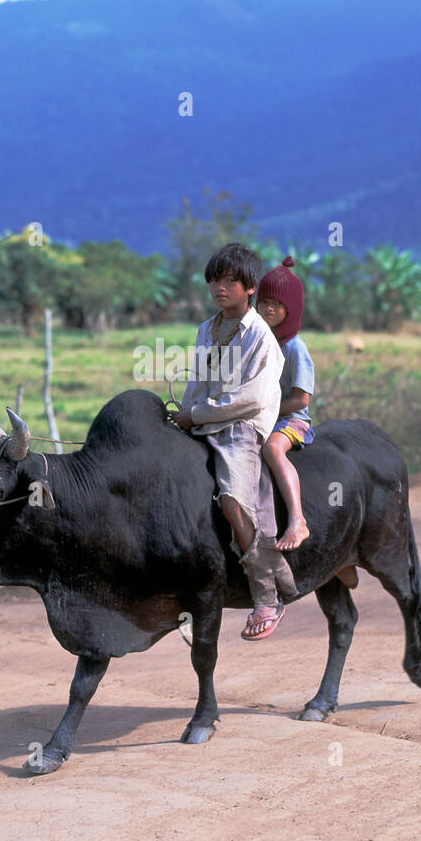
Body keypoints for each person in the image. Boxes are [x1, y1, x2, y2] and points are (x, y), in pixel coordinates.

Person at [172, 242, 296, 640]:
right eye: (215, 280)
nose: (220, 288)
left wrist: (199, 414)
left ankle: (266, 596)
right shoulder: (206, 329)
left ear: (250, 287)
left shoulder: (261, 335)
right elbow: (197, 384)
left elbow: (253, 398)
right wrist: (183, 416)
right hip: (204, 422)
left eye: (230, 281)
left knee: (232, 500)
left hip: (241, 428)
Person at [255, 256, 315, 551]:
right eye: (263, 301)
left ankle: (297, 520)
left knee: (272, 448)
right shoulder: (260, 342)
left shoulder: (295, 348)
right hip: (262, 416)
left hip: (292, 421)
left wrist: (267, 410)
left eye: (276, 304)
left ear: (290, 309)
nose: (268, 308)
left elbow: (301, 399)